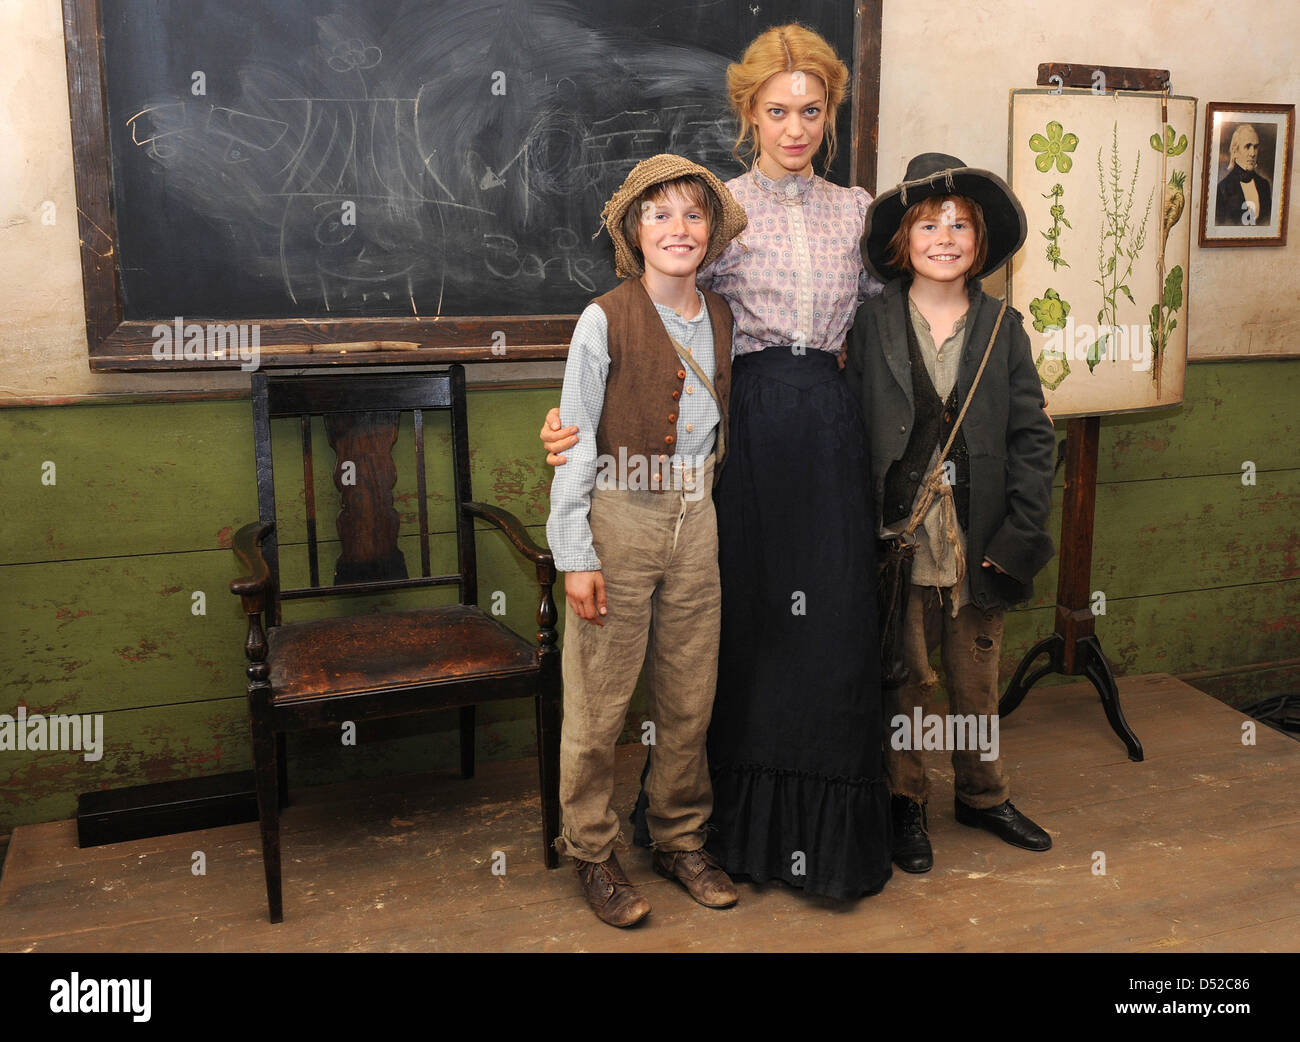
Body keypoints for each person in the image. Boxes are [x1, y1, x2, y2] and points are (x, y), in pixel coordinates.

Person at [543, 25, 893, 901]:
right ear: (748, 114)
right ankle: (705, 833)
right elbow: (655, 337)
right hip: (744, 449)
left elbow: (895, 318)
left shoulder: (858, 213)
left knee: (829, 634)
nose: (796, 127)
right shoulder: (716, 210)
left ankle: (804, 838)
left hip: (830, 441)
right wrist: (573, 433)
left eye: (812, 111)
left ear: (830, 114)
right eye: (777, 111)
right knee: (743, 647)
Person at [546, 154, 749, 927]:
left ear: (710, 231)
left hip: (698, 521)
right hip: (620, 516)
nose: (678, 228)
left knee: (689, 698)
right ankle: (592, 851)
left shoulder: (723, 317)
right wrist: (576, 554)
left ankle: (677, 835)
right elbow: (574, 439)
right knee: (599, 705)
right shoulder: (604, 318)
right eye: (658, 213)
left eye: (693, 214)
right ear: (635, 230)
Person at [846, 153, 1057, 874]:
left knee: (976, 677)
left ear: (981, 243)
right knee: (906, 677)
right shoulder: (870, 325)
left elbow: (1033, 438)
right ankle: (906, 800)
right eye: (928, 224)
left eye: (960, 224)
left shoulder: (1004, 328)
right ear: (902, 244)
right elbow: (851, 430)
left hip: (979, 542)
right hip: (897, 541)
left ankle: (983, 792)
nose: (945, 235)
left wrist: (1019, 537)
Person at [1215, 124, 1272, 226]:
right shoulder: (1223, 189)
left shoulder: (1264, 185)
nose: (1253, 153)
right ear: (1235, 151)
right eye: (1247, 146)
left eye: (1255, 147)